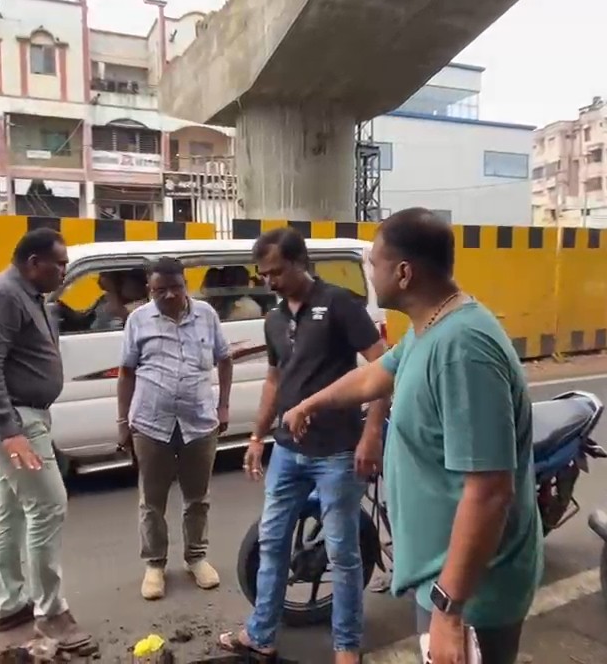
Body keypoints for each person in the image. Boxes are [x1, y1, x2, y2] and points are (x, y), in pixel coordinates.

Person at [282, 208, 542, 664]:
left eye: (374, 264)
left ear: (403, 273)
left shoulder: (462, 349)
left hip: (471, 594)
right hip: (445, 581)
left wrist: (449, 607)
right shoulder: (429, 329)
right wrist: (309, 404)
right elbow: (372, 378)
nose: (370, 273)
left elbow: (490, 492)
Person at [219, 227, 389, 664]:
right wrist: (257, 436)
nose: (269, 281)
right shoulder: (274, 317)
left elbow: (383, 367)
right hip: (288, 452)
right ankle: (261, 634)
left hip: (336, 451)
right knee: (273, 542)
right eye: (264, 275)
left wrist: (372, 433)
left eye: (276, 272)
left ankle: (347, 647)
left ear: (300, 263)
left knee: (343, 553)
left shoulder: (340, 305)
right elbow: (275, 381)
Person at [0, 227, 92, 652]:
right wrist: (12, 431)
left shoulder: (30, 297)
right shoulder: (2, 296)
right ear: (33, 263)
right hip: (15, 418)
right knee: (48, 505)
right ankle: (51, 613)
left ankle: (8, 605)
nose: (64, 270)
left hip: (27, 414)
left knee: (12, 510)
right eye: (59, 263)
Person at [117, 256, 233, 600]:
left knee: (197, 498)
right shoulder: (138, 320)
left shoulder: (207, 315)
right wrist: (123, 423)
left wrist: (224, 405)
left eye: (175, 287)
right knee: (152, 501)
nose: (168, 295)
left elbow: (225, 360)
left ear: (186, 285)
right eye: (159, 289)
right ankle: (155, 565)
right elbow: (127, 373)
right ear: (150, 290)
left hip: (199, 423)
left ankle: (196, 558)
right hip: (151, 424)